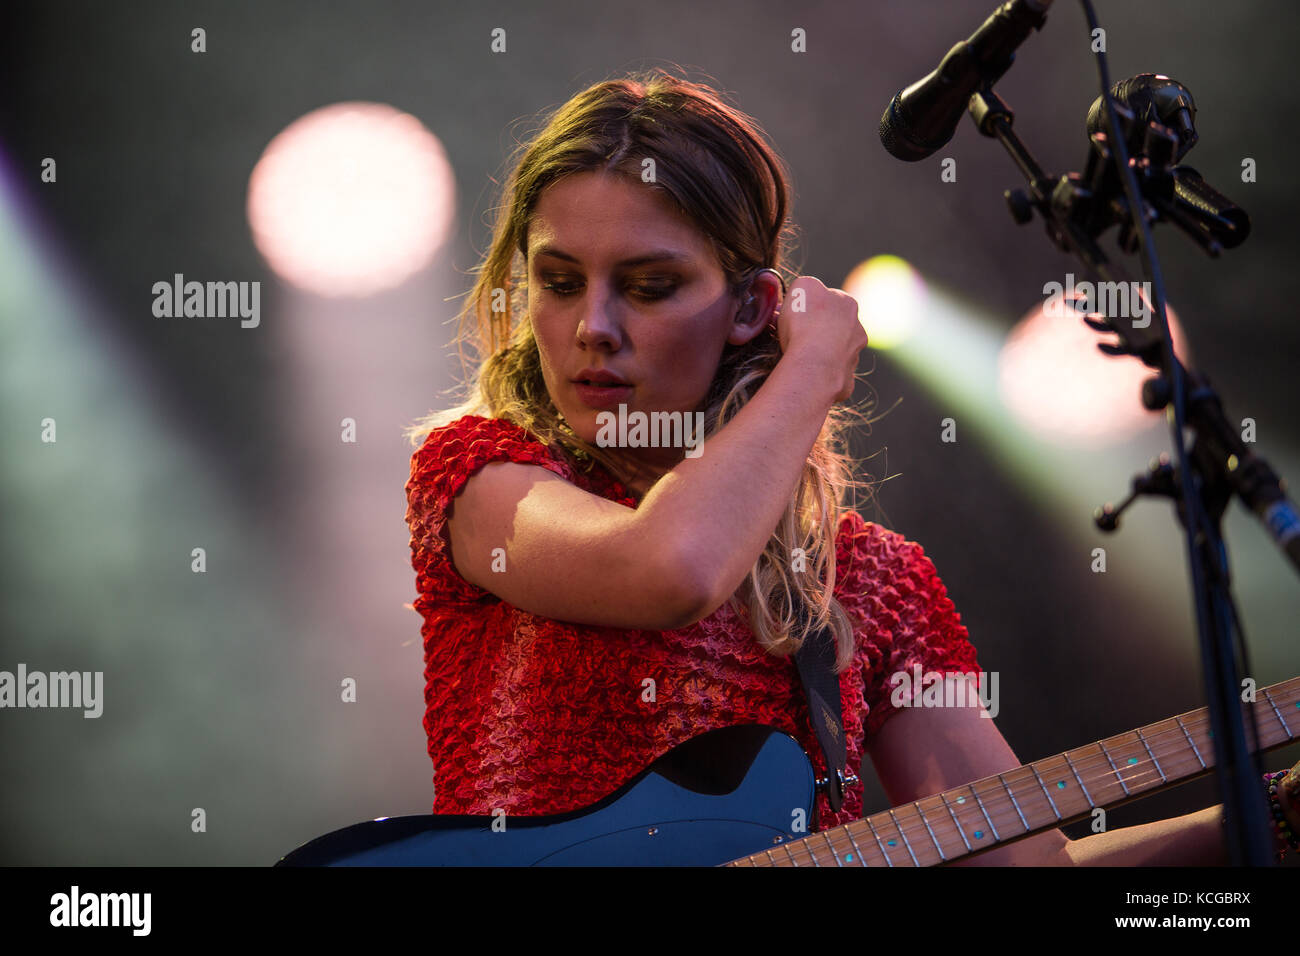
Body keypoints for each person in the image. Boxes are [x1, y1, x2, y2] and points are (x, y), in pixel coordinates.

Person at [403, 69, 1299, 866]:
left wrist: (1268, 819)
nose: (592, 325)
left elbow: (1028, 868)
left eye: (647, 285)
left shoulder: (869, 581)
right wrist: (813, 369)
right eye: (559, 282)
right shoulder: (480, 473)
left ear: (754, 305)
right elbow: (673, 566)